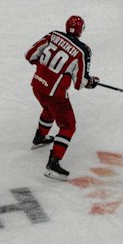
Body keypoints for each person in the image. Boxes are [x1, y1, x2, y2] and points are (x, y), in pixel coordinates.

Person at [25, 15, 96, 179]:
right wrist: (92, 81)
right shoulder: (83, 50)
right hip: (54, 93)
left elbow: (29, 55)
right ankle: (53, 165)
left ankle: (40, 137)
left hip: (37, 85)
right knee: (68, 126)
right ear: (81, 31)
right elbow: (80, 83)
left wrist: (45, 69)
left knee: (48, 110)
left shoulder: (53, 35)